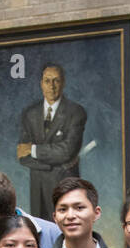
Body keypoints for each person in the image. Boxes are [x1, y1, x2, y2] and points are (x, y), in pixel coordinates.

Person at [17, 63, 88, 220]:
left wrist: (34, 150)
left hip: (65, 187)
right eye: (47, 81)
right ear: (41, 84)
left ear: (63, 83)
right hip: (37, 188)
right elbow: (22, 155)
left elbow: (67, 151)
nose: (52, 86)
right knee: (40, 235)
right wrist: (54, 164)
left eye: (56, 81)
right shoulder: (30, 114)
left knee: (67, 234)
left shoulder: (76, 112)